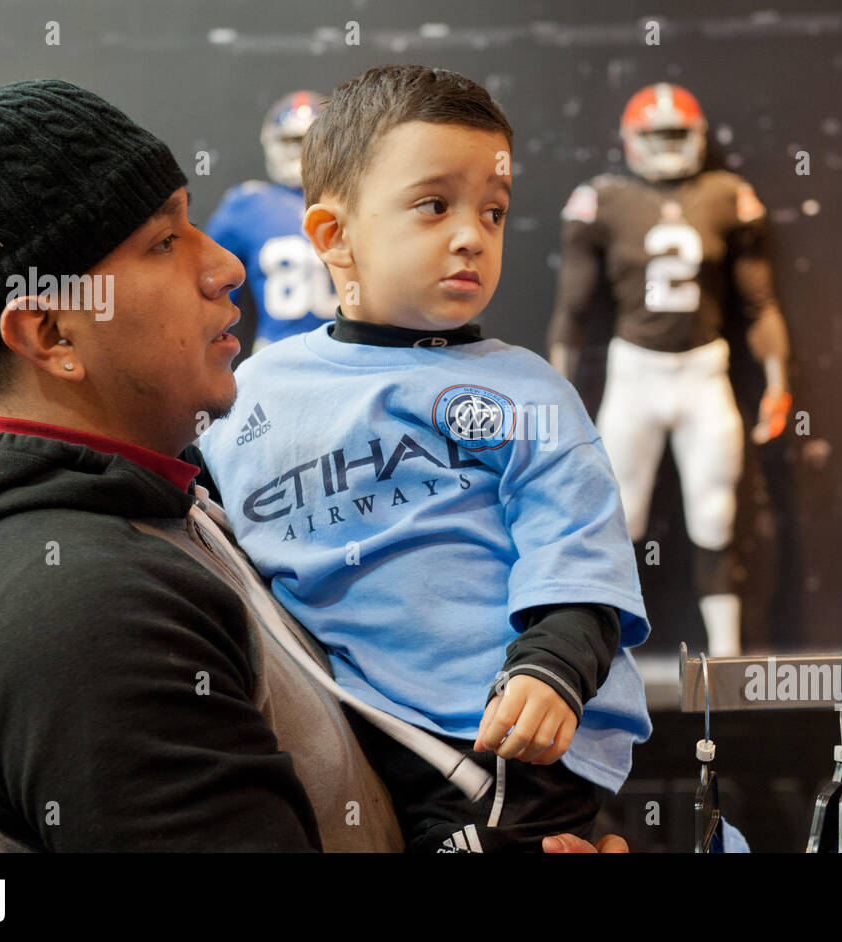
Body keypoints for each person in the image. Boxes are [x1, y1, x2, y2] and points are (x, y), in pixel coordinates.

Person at [0, 78, 418, 852]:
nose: (226, 266)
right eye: (164, 243)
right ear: (54, 333)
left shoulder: (155, 508)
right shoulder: (78, 607)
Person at [200, 65, 654, 853]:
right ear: (332, 238)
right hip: (346, 728)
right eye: (433, 205)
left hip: (497, 736)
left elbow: (582, 561)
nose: (472, 234)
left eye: (495, 211)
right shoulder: (253, 392)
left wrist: (549, 672)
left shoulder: (525, 391)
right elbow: (191, 515)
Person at [546, 83, 792, 657]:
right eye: (656, 135)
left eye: (676, 135)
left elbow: (760, 304)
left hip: (704, 372)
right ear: (631, 141)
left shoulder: (727, 194)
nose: (667, 147)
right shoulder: (602, 200)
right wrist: (557, 390)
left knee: (714, 515)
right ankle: (612, 656)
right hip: (634, 374)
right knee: (618, 519)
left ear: (699, 138)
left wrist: (778, 381)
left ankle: (726, 657)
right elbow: (572, 311)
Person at [205, 91, 337, 353]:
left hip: (348, 355)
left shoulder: (355, 201)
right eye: (291, 140)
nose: (300, 150)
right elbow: (210, 295)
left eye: (311, 140)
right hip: (277, 356)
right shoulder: (247, 204)